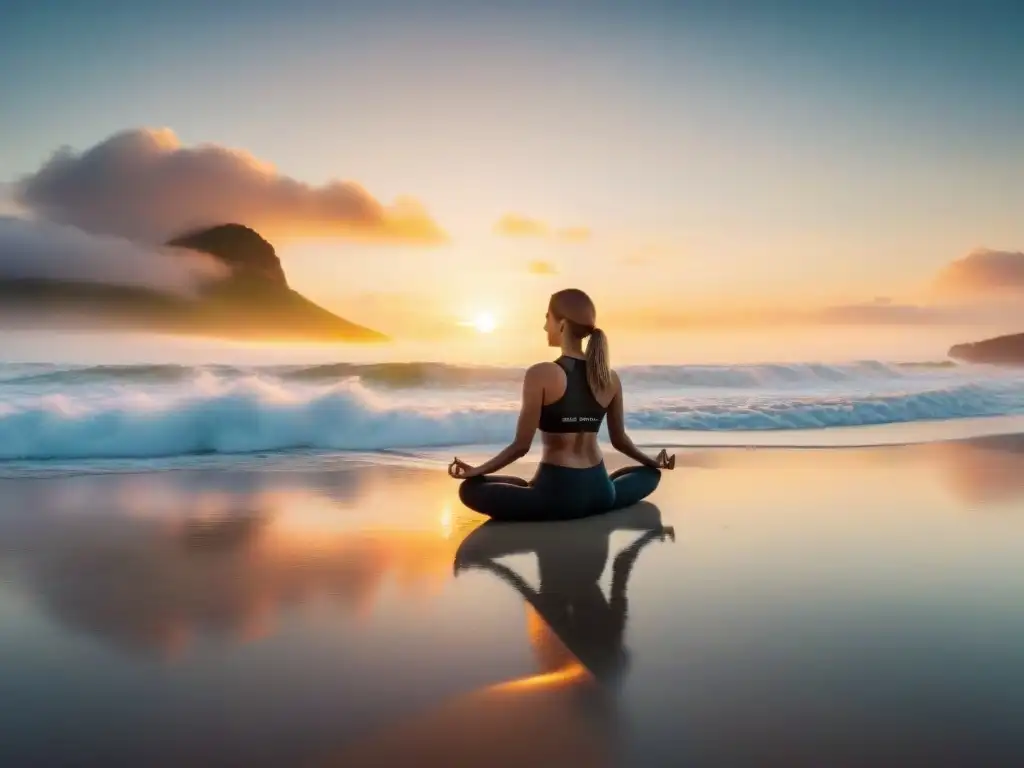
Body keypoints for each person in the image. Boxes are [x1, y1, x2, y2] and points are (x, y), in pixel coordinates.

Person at [448, 288, 675, 520]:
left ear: (563, 324)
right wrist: (653, 462)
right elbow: (619, 440)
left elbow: (520, 447)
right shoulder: (610, 378)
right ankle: (549, 490)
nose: (545, 326)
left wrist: (477, 471)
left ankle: (530, 489)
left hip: (556, 497)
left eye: (547, 318)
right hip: (601, 493)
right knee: (649, 474)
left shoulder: (541, 373)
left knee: (469, 489)